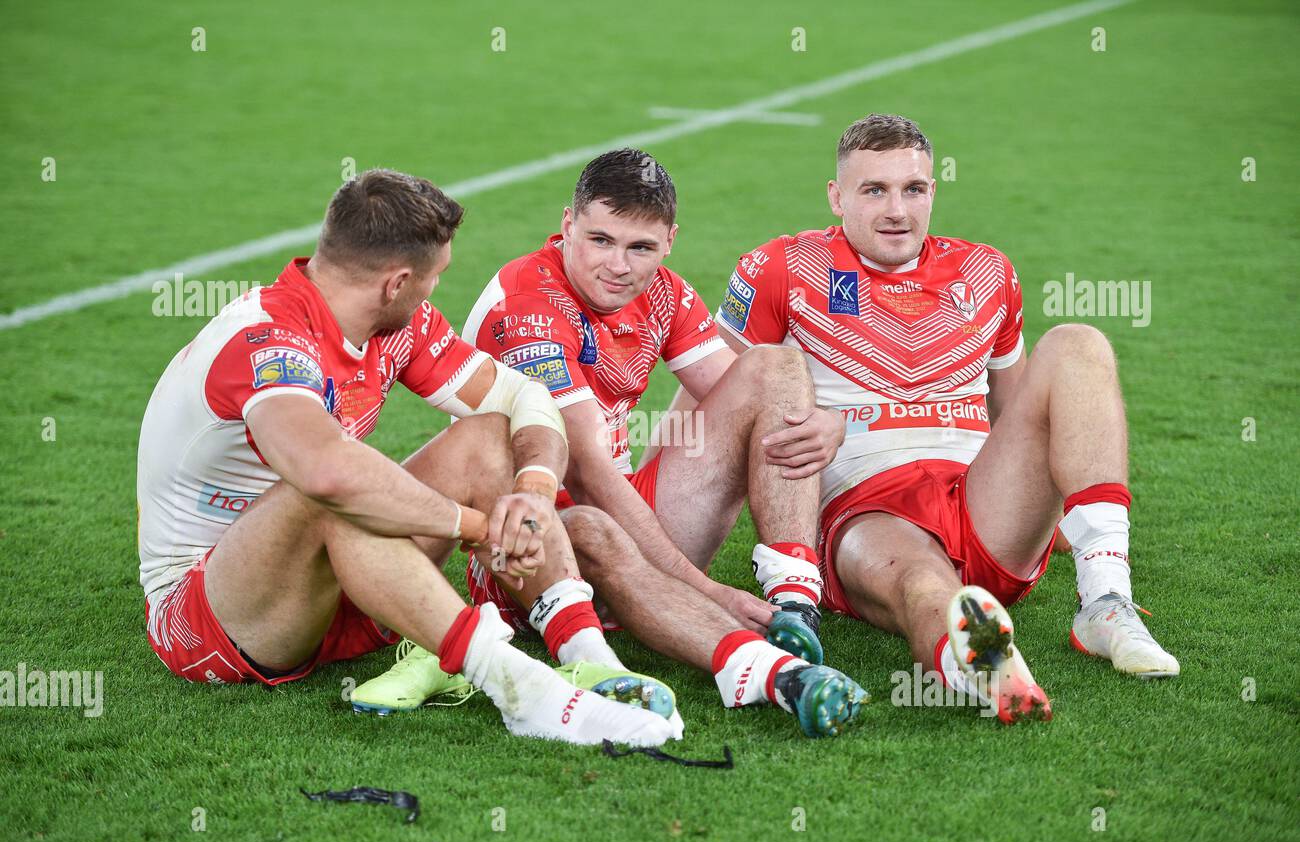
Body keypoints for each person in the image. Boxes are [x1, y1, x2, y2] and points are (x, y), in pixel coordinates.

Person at [136, 168, 678, 746]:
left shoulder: (394, 322)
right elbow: (325, 473)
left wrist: (536, 494)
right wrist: (475, 526)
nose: (434, 291)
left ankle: (589, 657)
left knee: (486, 433)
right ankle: (524, 690)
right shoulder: (267, 341)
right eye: (434, 278)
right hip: (210, 616)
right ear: (396, 283)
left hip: (342, 585)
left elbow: (523, 397)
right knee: (329, 488)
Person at [357, 150, 867, 738]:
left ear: (670, 240)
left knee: (775, 367)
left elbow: (749, 394)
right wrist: (706, 588)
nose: (619, 266)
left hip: (627, 520)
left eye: (641, 248)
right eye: (600, 240)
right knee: (595, 525)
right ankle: (771, 672)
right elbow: (588, 475)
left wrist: (828, 420)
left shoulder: (664, 294)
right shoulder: (529, 302)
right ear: (567, 225)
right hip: (534, 550)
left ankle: (796, 602)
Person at [714, 114, 1179, 724]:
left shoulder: (987, 273)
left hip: (984, 499)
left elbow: (1019, 411)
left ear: (933, 190)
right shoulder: (783, 268)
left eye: (913, 189)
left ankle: (1106, 599)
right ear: (836, 196)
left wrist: (1061, 505)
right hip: (864, 503)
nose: (896, 209)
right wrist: (655, 531)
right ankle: (983, 664)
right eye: (873, 190)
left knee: (1078, 342)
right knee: (924, 586)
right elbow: (714, 402)